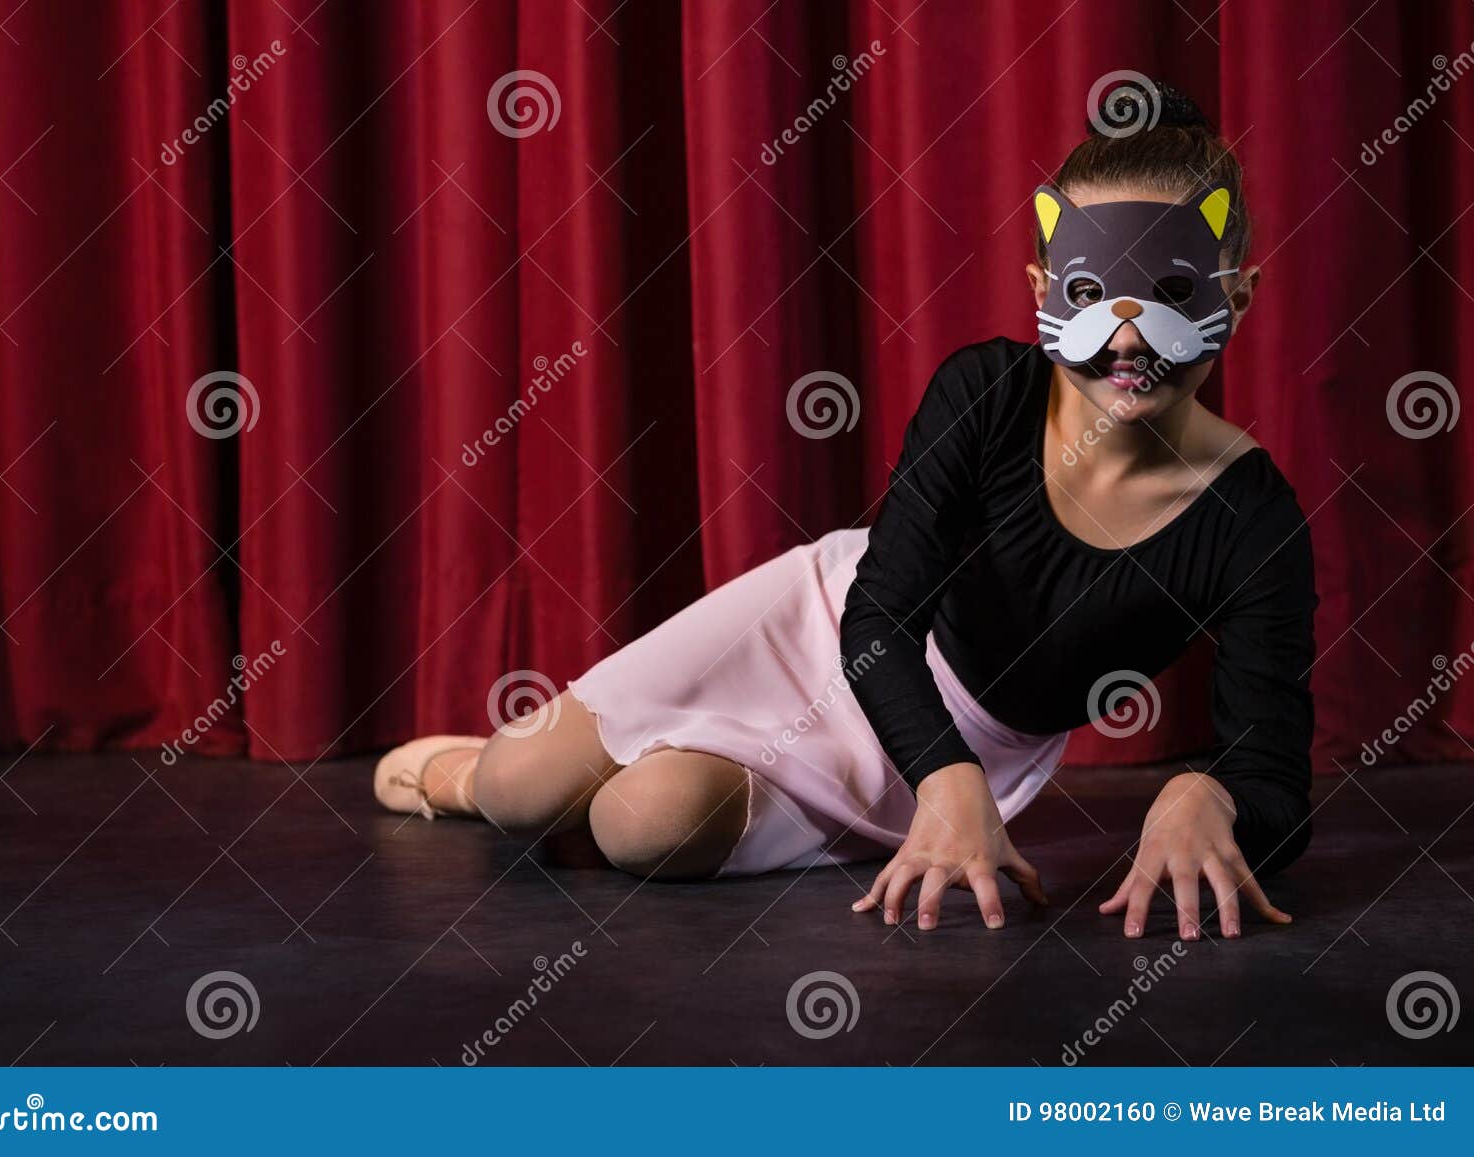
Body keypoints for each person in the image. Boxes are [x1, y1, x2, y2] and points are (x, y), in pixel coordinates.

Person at [374, 85, 1316, 943]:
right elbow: (879, 616)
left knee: (645, 826)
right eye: (1090, 294)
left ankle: (620, 789)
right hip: (834, 629)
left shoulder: (1253, 519)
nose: (1129, 338)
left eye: (1174, 296)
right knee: (516, 788)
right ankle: (481, 775)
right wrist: (947, 778)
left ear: (1240, 296)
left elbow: (1274, 776)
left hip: (968, 746)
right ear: (1042, 292)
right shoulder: (987, 393)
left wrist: (1207, 795)